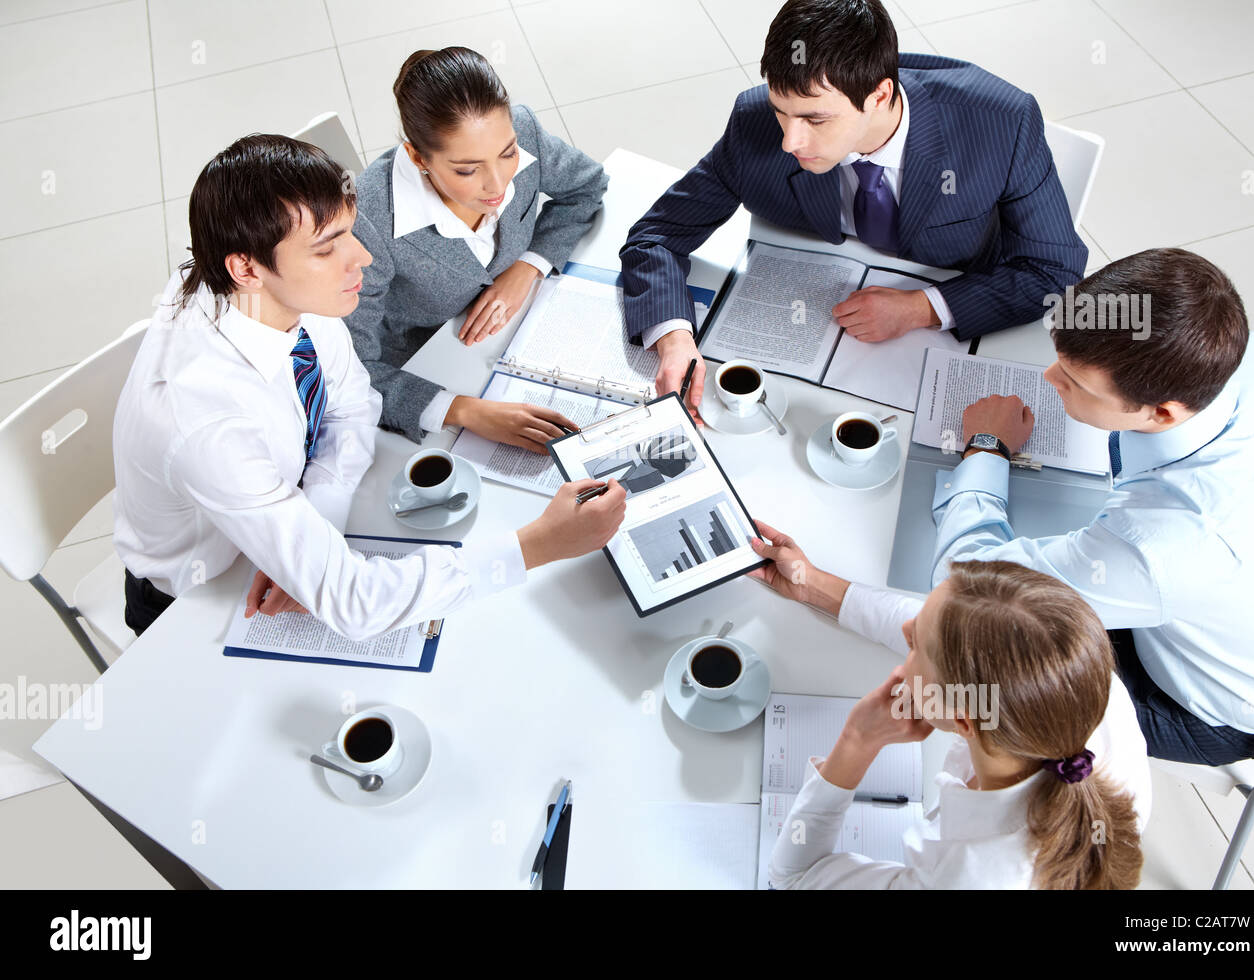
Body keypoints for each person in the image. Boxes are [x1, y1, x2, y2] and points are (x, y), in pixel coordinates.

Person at [113, 134, 626, 639]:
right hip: (206, 594)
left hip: (279, 519)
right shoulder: (207, 420)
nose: (361, 258)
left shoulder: (274, 297)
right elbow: (354, 604)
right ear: (245, 268)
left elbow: (354, 402)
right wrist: (540, 544)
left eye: (348, 232)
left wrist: (315, 523)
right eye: (326, 248)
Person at [620, 0, 1085, 419]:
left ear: (880, 95)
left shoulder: (1002, 123)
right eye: (782, 111)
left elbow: (1054, 271)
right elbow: (656, 235)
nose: (789, 141)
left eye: (815, 119)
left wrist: (923, 308)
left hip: (949, 332)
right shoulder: (754, 122)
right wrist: (675, 336)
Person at [931, 248, 1254, 766]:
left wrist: (987, 448)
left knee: (987, 663)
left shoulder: (1164, 544)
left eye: (1074, 381)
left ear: (1162, 413)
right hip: (1252, 612)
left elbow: (967, 586)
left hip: (1200, 707)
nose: (1047, 379)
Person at [749, 522, 1150, 889]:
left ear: (962, 718)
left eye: (913, 645)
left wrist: (857, 740)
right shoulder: (1075, 675)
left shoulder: (965, 878)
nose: (905, 627)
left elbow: (792, 876)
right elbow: (965, 634)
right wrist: (809, 582)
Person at [347, 47, 609, 449]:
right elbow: (350, 369)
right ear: (418, 157)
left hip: (516, 335)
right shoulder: (365, 220)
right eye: (467, 170)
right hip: (423, 367)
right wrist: (465, 411)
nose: (498, 184)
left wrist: (528, 266)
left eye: (507, 154)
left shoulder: (523, 130)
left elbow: (586, 187)